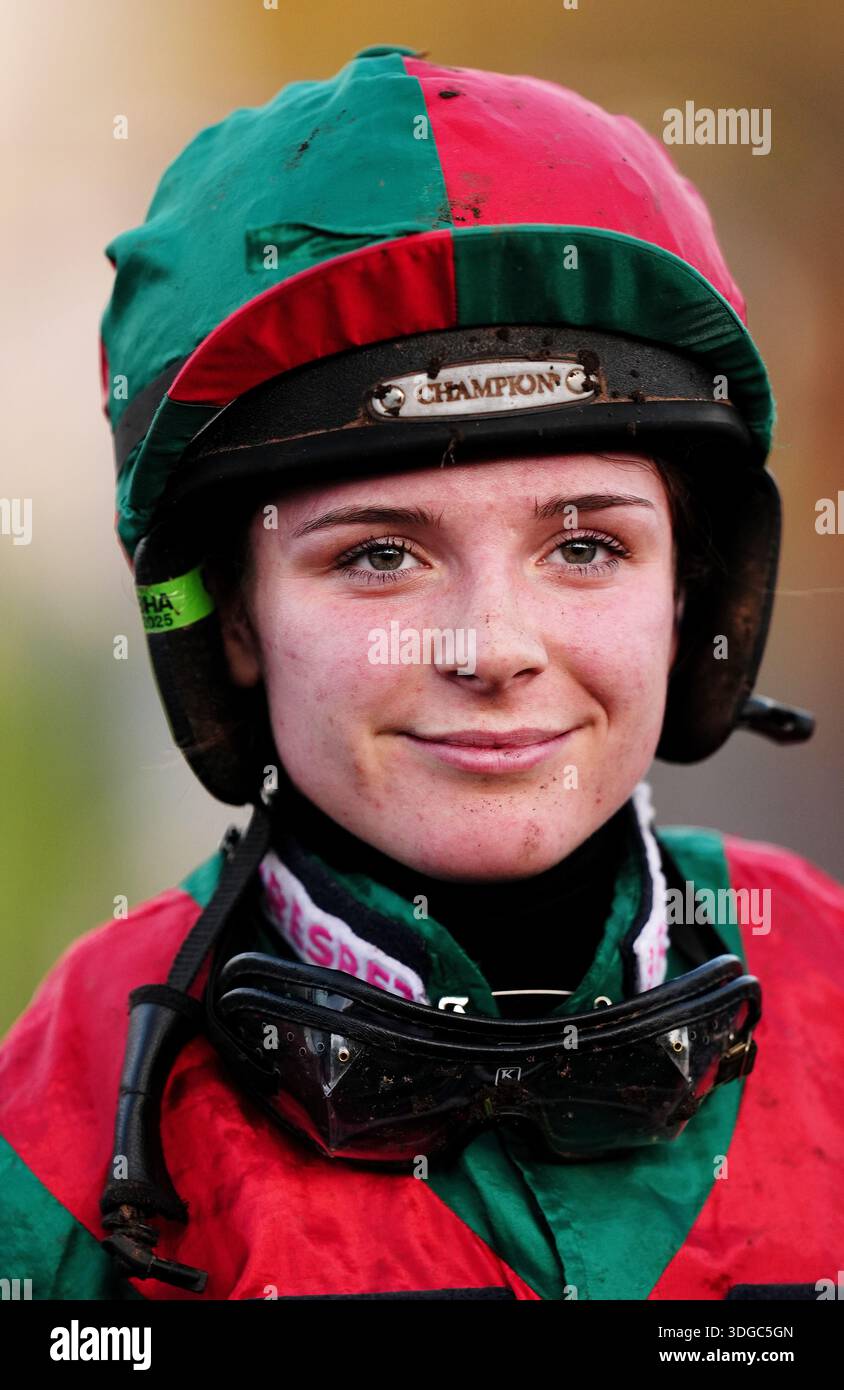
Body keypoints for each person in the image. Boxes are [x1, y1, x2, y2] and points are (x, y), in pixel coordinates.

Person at [1, 44, 842, 1304]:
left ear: (689, 595)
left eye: (584, 544)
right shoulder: (51, 1143)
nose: (495, 649)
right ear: (230, 621)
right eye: (381, 554)